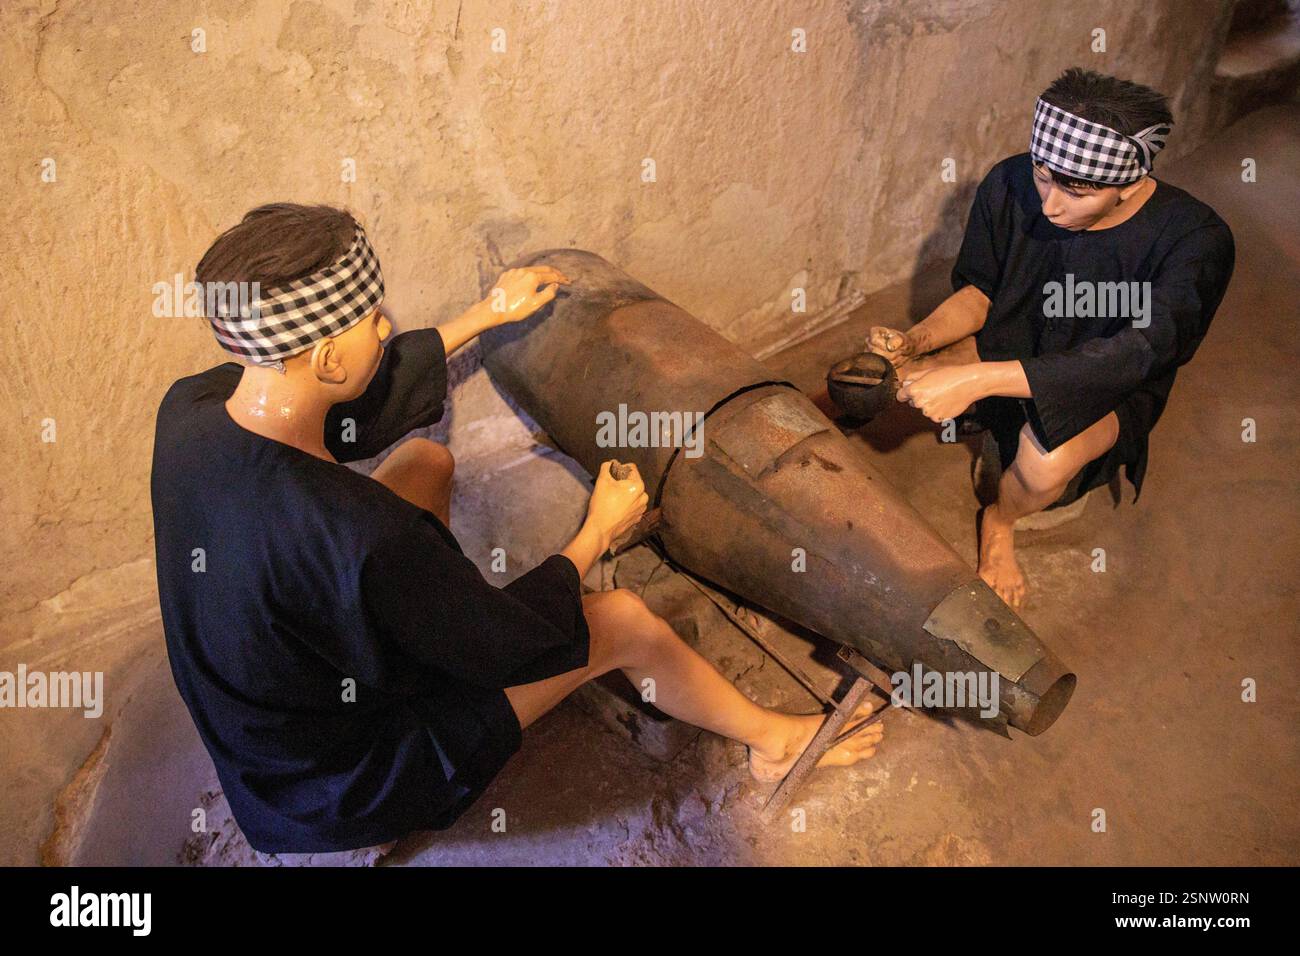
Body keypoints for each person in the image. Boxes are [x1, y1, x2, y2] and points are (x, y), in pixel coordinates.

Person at [151, 202, 881, 854]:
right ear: (328, 355)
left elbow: (351, 414)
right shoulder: (361, 533)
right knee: (622, 620)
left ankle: (424, 624)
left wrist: (485, 315)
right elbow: (504, 647)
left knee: (423, 460)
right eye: (371, 318)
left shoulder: (192, 411)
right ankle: (776, 741)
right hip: (346, 785)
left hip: (267, 744)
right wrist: (597, 532)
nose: (386, 326)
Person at [867, 68, 1234, 607]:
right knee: (878, 375)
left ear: (1128, 186)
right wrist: (916, 343)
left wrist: (974, 379)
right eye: (1044, 174)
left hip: (1111, 378)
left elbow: (1136, 355)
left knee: (1044, 465)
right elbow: (982, 294)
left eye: (1077, 190)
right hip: (1015, 339)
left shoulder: (1195, 241)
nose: (1050, 205)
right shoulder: (1010, 181)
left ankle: (999, 520)